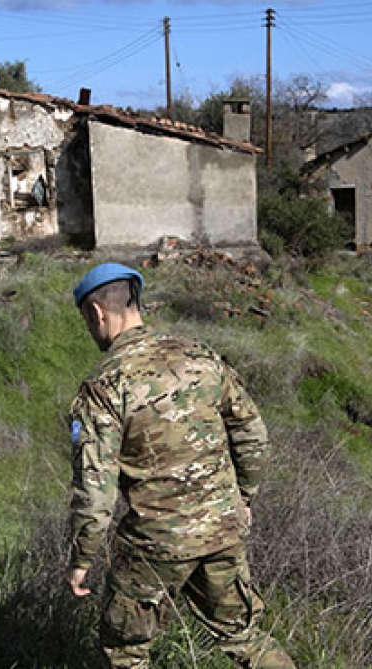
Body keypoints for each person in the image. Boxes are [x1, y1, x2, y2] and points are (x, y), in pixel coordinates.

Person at [66, 262, 295, 669]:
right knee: (243, 637)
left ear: (97, 313)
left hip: (156, 543)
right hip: (223, 529)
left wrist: (81, 558)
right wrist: (243, 498)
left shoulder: (104, 385)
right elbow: (252, 433)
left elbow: (95, 489)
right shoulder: (201, 357)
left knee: (126, 653)